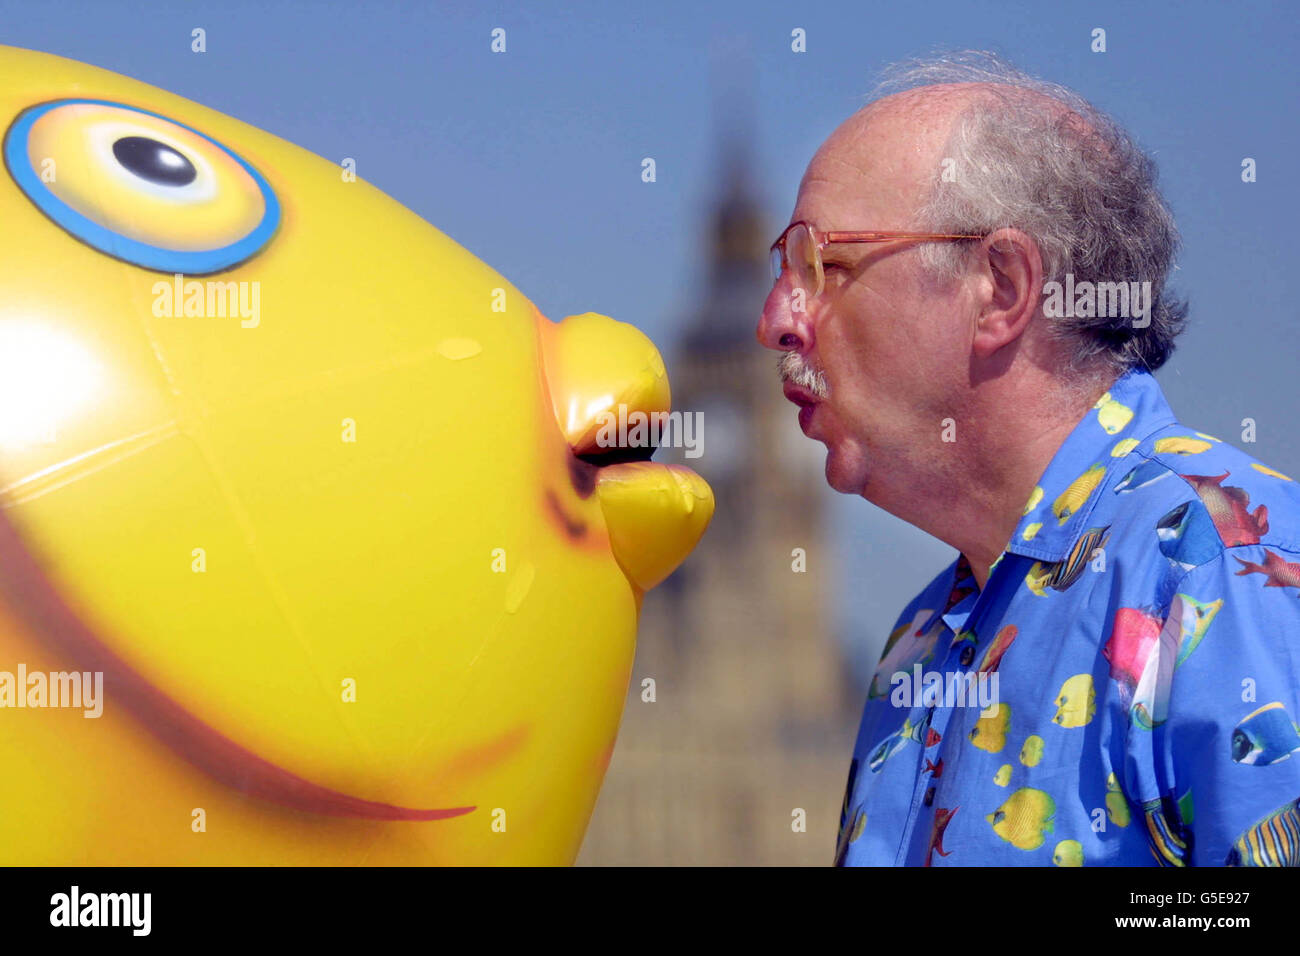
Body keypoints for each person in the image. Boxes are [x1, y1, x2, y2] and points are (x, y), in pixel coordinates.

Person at [756, 51, 1300, 866]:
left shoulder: (1223, 564)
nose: (777, 319)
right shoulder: (920, 637)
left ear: (1002, 289)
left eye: (824, 265)